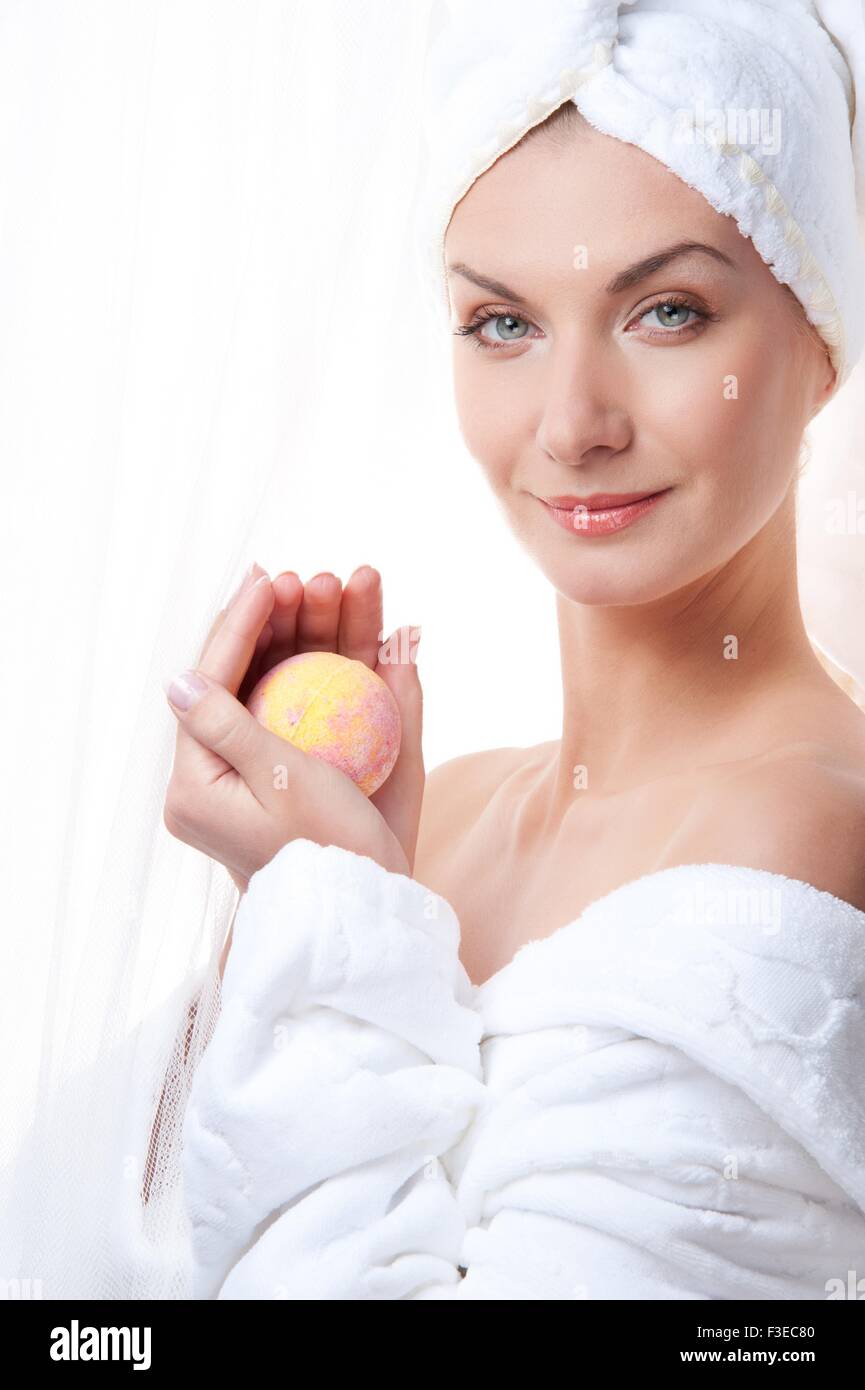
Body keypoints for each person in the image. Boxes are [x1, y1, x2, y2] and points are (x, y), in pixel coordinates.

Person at [163, 7, 865, 1293]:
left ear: (819, 337)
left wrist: (322, 935)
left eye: (665, 311)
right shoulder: (432, 816)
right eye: (503, 324)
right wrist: (285, 897)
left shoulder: (804, 839)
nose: (571, 424)